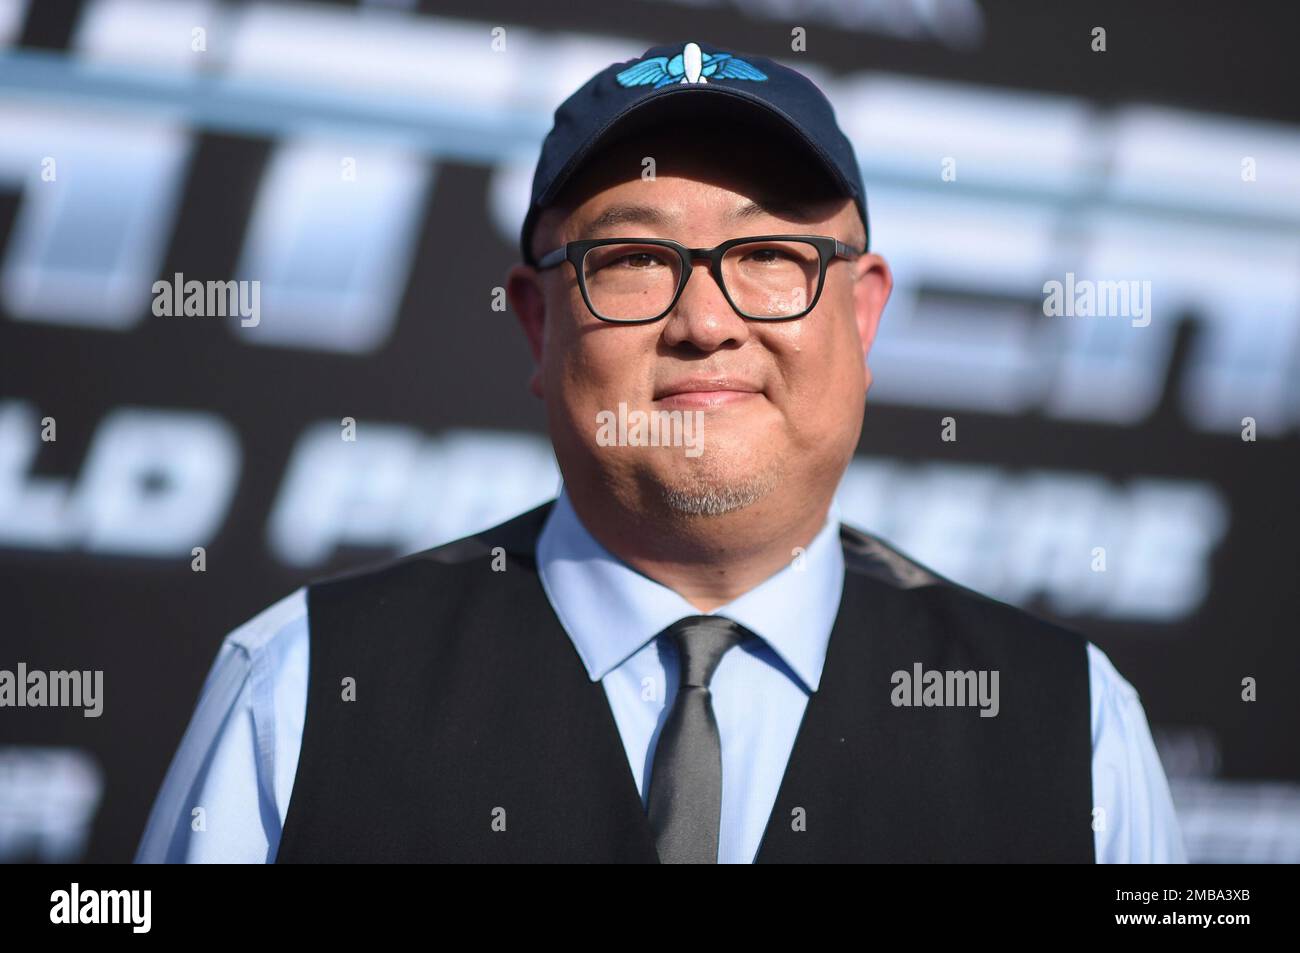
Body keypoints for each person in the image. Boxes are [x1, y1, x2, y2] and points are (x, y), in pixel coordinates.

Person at [136, 40, 1186, 863]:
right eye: (635, 259)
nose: (703, 322)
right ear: (537, 323)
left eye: (770, 255)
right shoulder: (303, 681)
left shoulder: (1071, 722)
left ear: (862, 318)